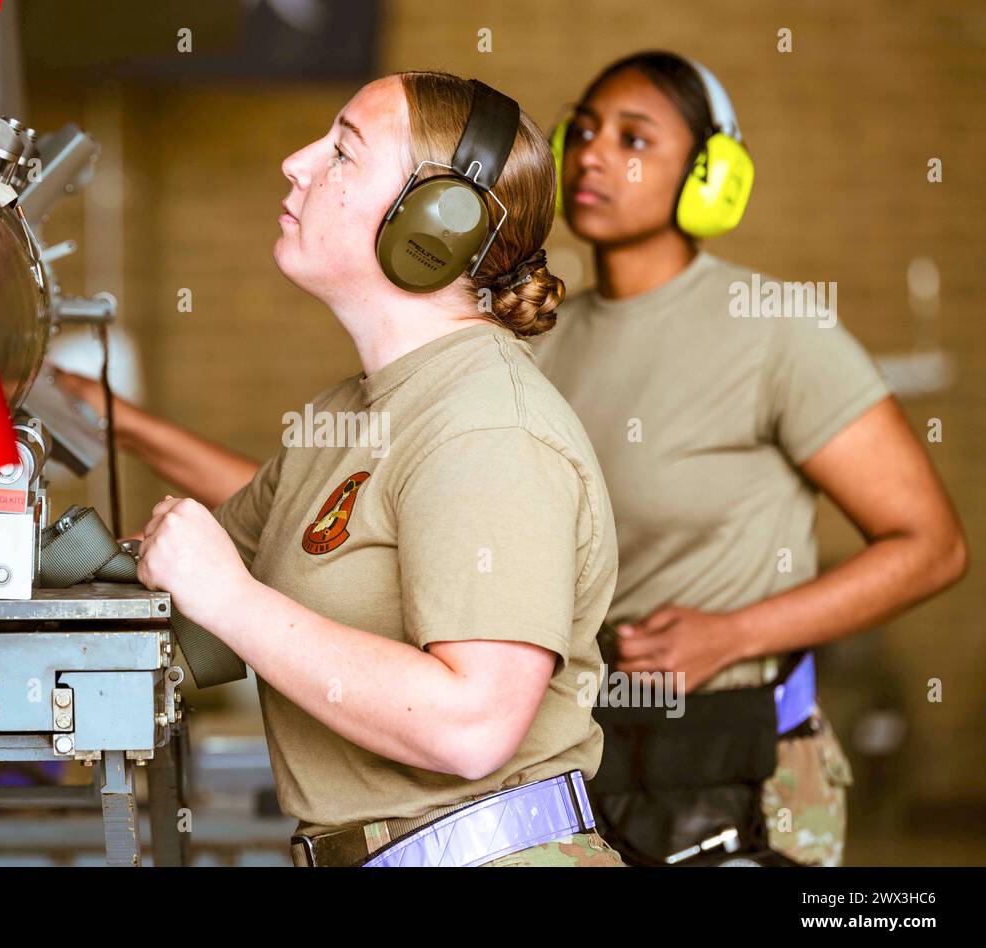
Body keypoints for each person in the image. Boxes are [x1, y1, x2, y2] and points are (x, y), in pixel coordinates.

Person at [64, 70, 626, 867]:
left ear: (435, 221)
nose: (297, 162)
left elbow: (472, 725)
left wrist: (230, 599)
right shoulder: (349, 415)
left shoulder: (487, 427)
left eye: (342, 151)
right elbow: (176, 584)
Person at [534, 51, 968, 866]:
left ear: (711, 176)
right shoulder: (531, 348)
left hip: (742, 768)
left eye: (633, 138)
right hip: (580, 763)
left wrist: (733, 635)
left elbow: (931, 546)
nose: (590, 154)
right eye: (581, 130)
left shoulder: (777, 330)